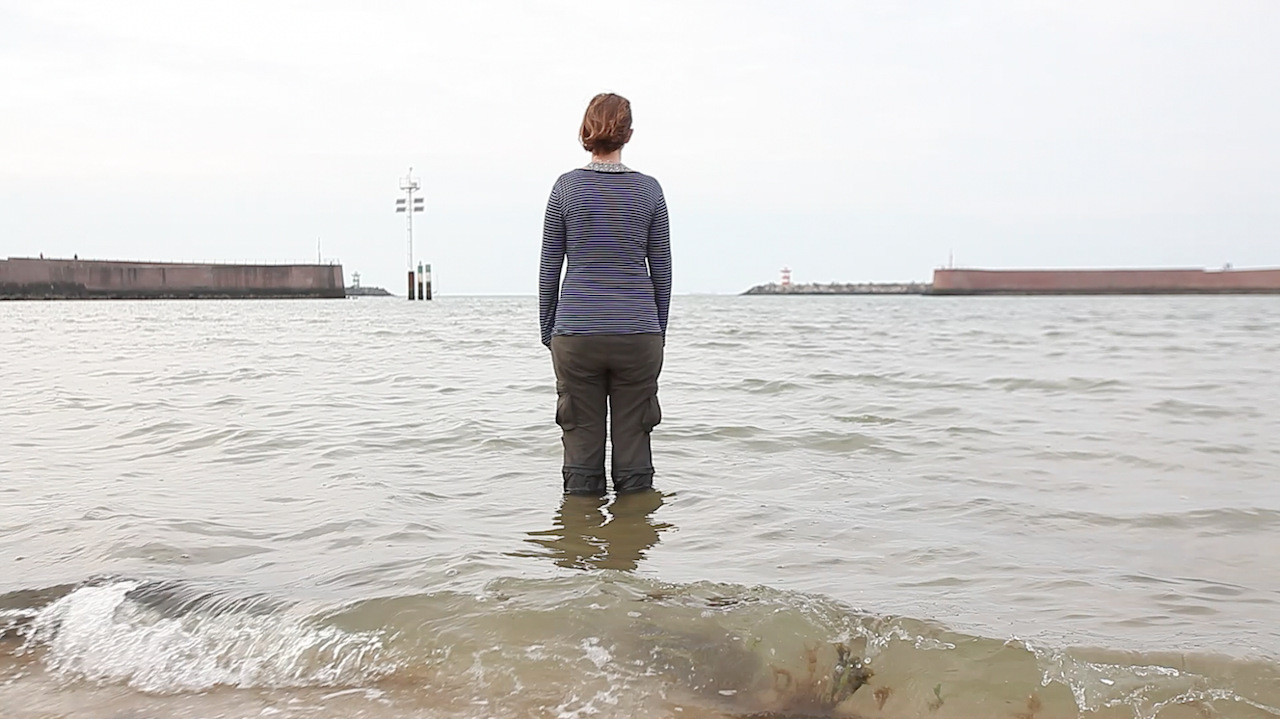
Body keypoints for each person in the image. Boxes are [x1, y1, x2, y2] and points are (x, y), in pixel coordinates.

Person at [539, 93, 672, 496]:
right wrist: (656, 331)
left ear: (585, 131)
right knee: (635, 445)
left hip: (576, 335)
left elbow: (549, 268)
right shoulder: (650, 191)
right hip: (638, 335)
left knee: (580, 443)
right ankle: (632, 548)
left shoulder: (566, 188)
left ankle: (577, 545)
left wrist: (549, 332)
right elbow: (662, 272)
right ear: (628, 134)